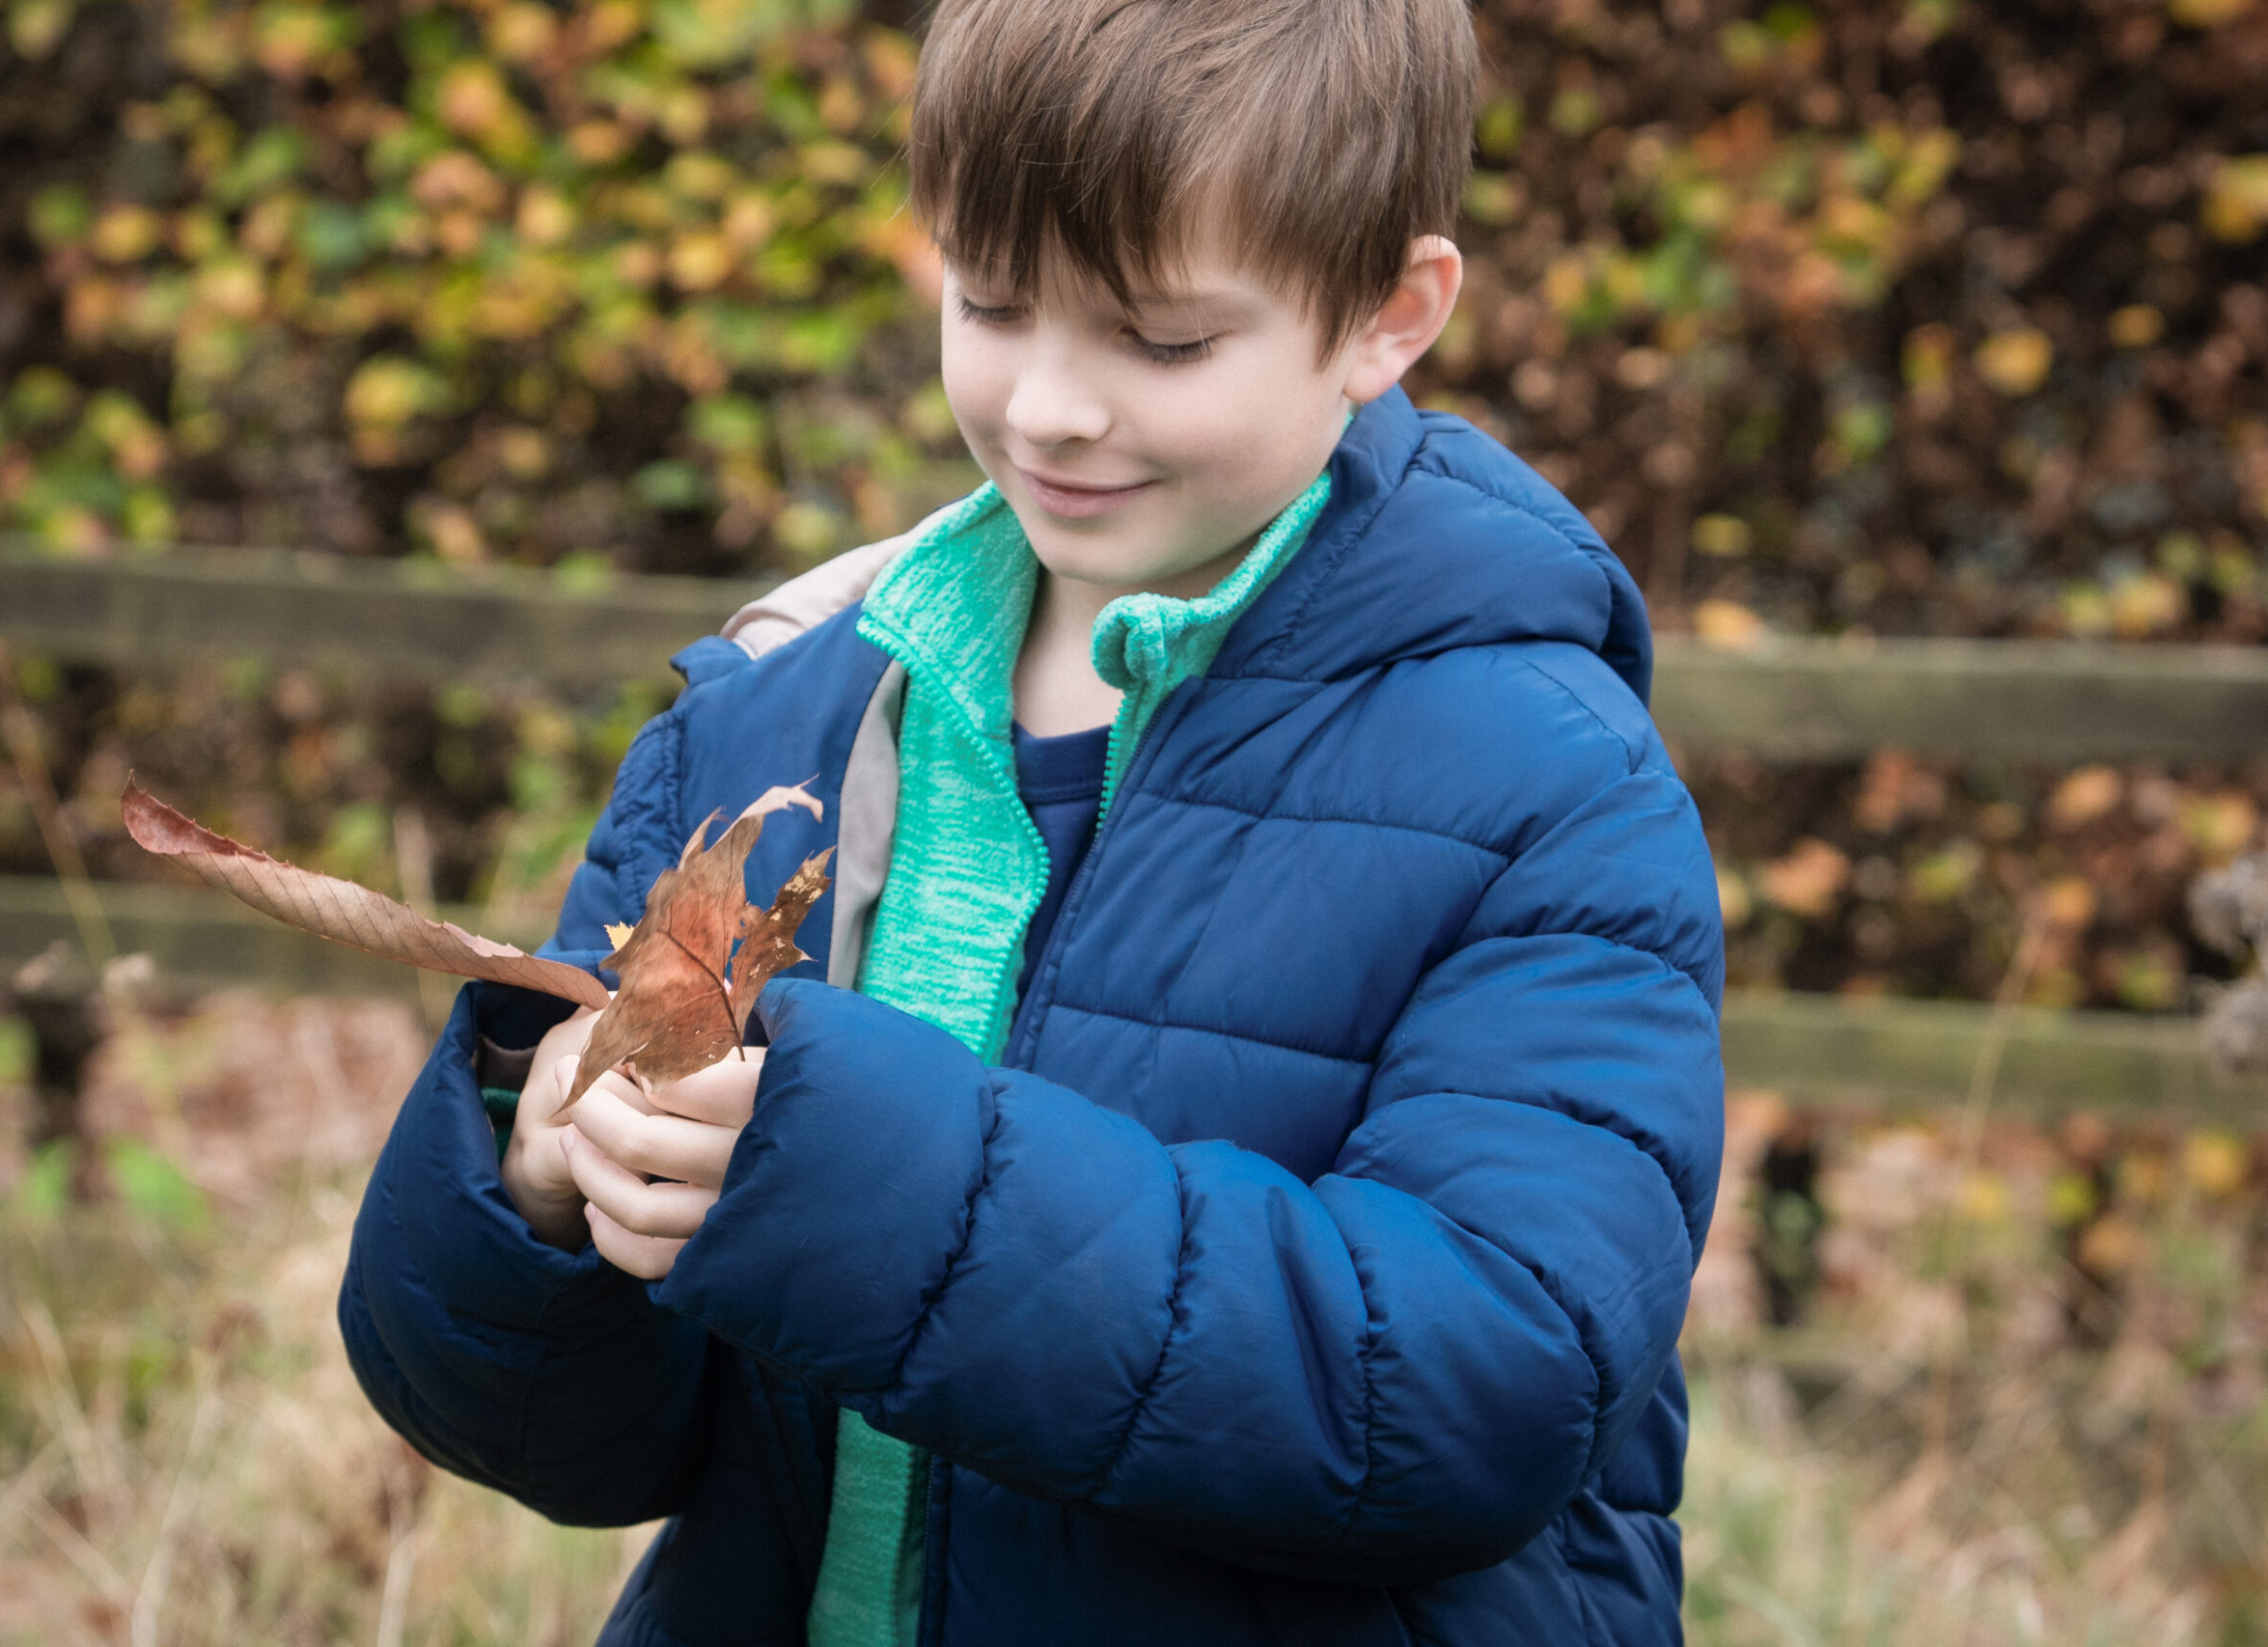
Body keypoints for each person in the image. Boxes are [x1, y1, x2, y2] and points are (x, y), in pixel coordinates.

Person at [338, 0, 1726, 1642]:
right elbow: (572, 1445)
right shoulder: (777, 723)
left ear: (1385, 315)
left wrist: (862, 1184)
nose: (1052, 408)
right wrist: (541, 1189)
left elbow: (1472, 1393)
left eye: (1160, 339)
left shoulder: (1547, 788)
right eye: (991, 303)